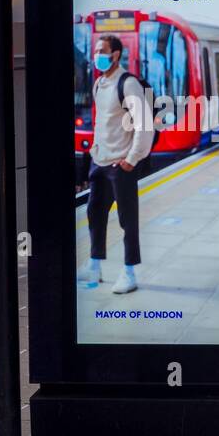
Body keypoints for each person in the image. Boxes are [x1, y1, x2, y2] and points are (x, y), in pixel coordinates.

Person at [82, 34, 154, 294]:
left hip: (120, 164)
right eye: (95, 50)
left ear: (115, 55)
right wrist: (94, 152)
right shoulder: (100, 83)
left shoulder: (128, 83)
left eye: (102, 51)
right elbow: (103, 121)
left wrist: (132, 159)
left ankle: (129, 271)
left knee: (127, 220)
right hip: (99, 161)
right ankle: (94, 264)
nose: (97, 55)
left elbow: (144, 124)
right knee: (94, 214)